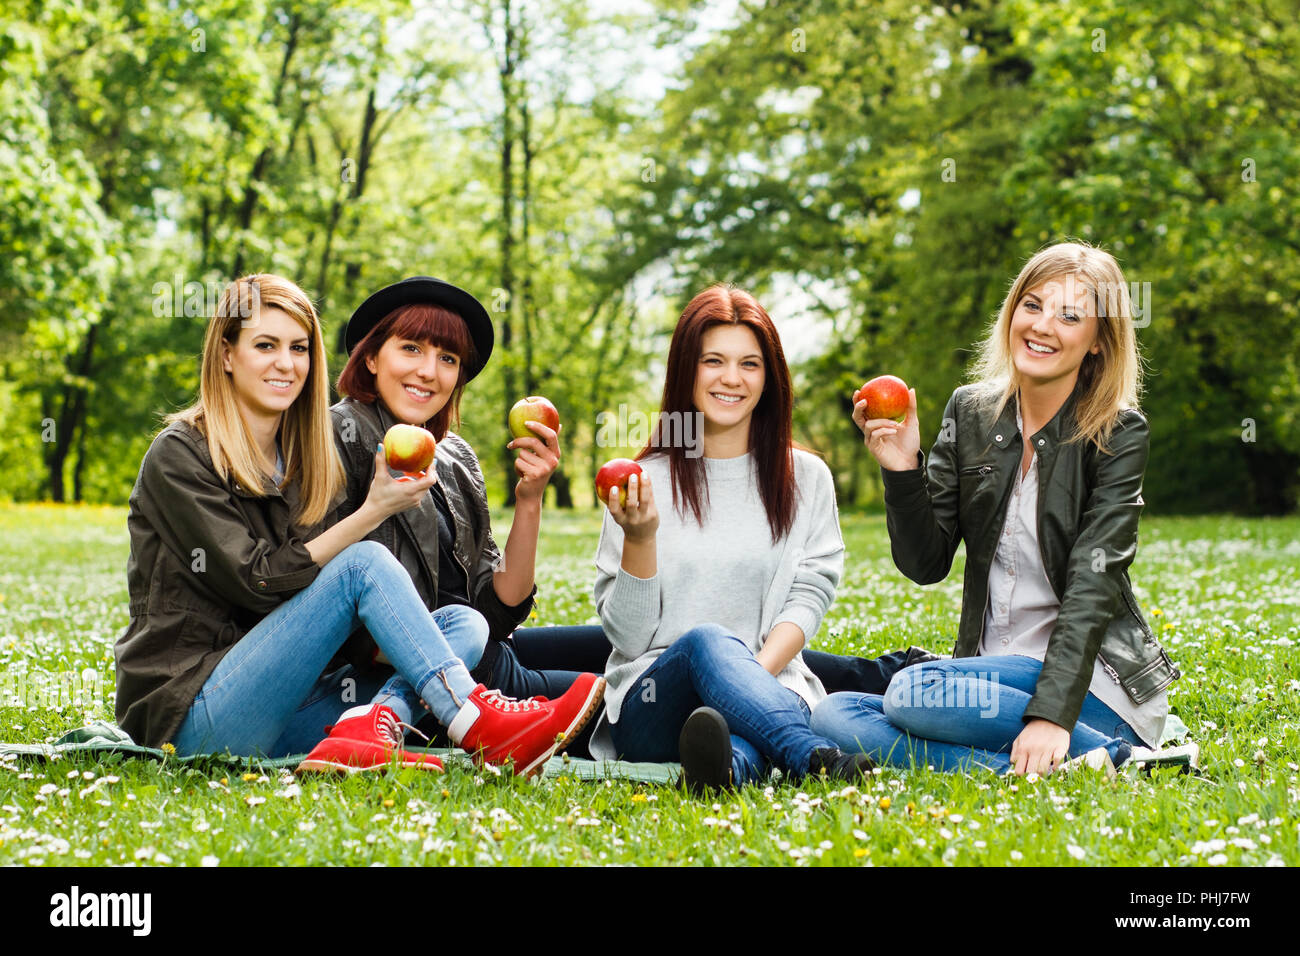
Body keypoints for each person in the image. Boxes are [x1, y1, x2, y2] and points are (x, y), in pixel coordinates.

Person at [113, 274, 601, 778]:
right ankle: (482, 724)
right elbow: (256, 582)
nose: (286, 363)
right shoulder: (181, 454)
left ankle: (371, 723)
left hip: (288, 707)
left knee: (465, 623)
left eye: (299, 348)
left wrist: (529, 499)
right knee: (364, 563)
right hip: (191, 717)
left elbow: (492, 608)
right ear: (226, 355)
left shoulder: (302, 455)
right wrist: (373, 510)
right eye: (265, 345)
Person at [810, 242, 1181, 776]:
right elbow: (925, 563)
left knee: (912, 692)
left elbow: (1094, 585)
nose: (1042, 325)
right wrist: (900, 469)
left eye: (1070, 315)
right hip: (988, 680)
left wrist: (1052, 716)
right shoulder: (971, 411)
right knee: (834, 714)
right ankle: (1076, 767)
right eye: (1032, 305)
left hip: (1089, 687)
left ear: (1098, 341)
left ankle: (1109, 745)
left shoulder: (1118, 433)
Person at [588, 285, 876, 789]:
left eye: (750, 364)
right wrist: (641, 538)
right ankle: (814, 756)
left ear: (769, 377)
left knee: (728, 735)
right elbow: (629, 640)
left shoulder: (806, 477)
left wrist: (744, 687)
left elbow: (809, 593)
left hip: (771, 688)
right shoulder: (638, 481)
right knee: (706, 640)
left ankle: (724, 772)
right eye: (713, 361)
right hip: (655, 701)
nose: (731, 379)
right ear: (686, 371)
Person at [329, 277, 610, 729]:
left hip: (490, 649)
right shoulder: (338, 437)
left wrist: (530, 499)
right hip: (446, 678)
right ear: (371, 357)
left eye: (447, 358)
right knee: (626, 698)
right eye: (411, 348)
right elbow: (338, 617)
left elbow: (496, 609)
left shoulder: (453, 454)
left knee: (622, 648)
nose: (429, 371)